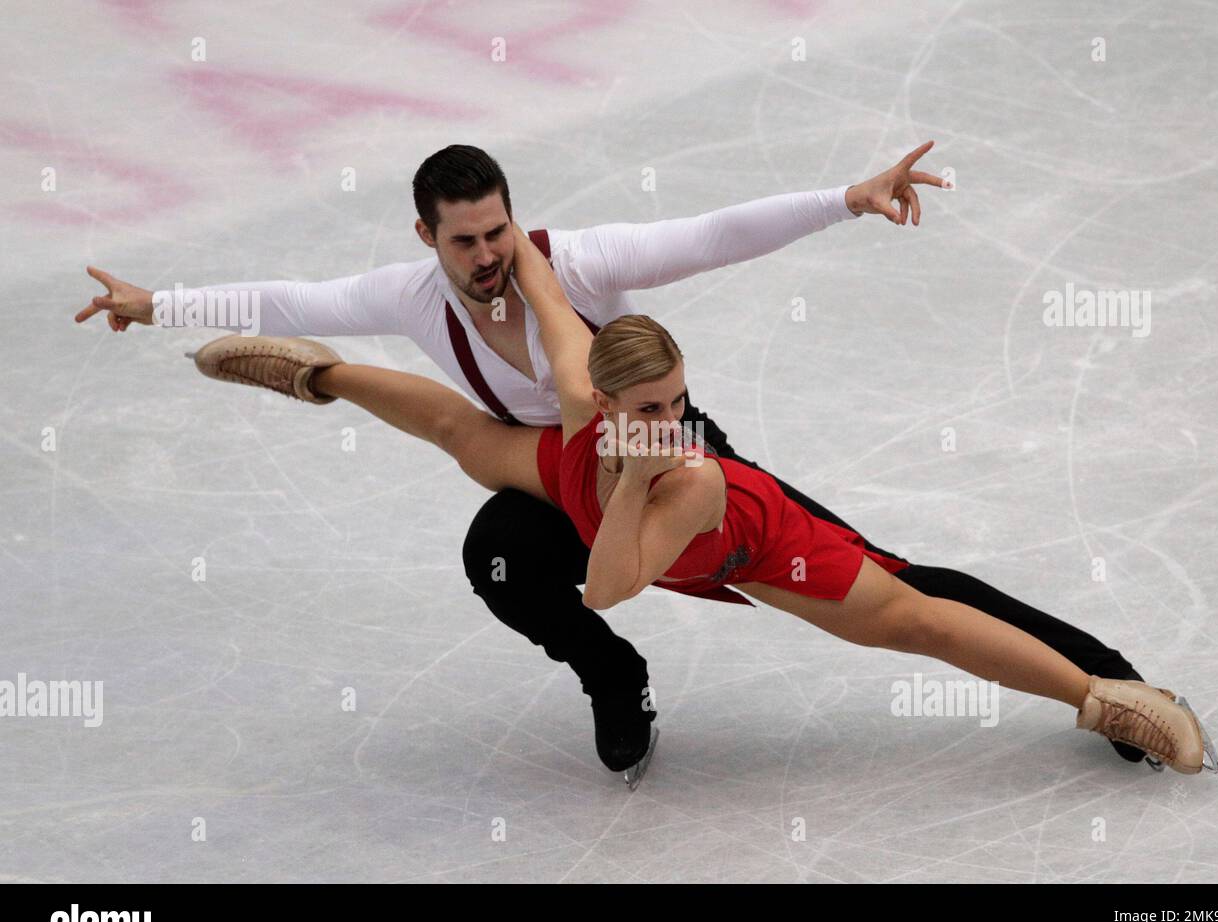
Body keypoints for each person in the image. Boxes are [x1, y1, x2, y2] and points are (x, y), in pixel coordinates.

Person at [75, 143, 1154, 778]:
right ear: (426, 239)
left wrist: (844, 200)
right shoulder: (404, 300)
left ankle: (1107, 680)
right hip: (564, 481)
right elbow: (287, 301)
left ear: (514, 221)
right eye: (463, 241)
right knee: (497, 552)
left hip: (669, 461)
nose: (487, 254)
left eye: (497, 231)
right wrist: (156, 303)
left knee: (899, 593)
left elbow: (714, 231)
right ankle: (614, 674)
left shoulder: (576, 264)